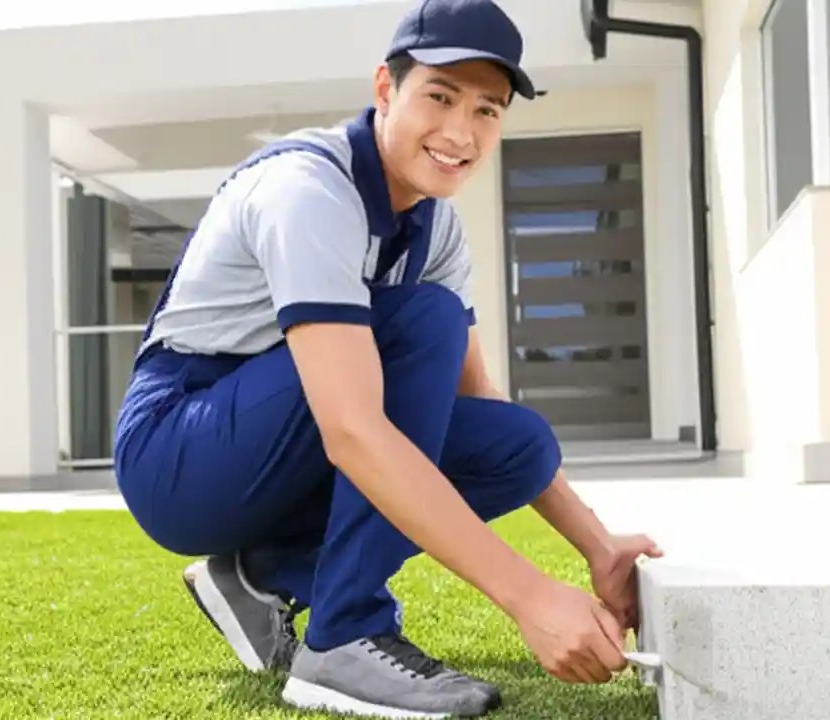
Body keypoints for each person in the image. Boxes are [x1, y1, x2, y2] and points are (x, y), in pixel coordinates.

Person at [112, 0, 663, 716]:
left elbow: (476, 400)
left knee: (516, 446)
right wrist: (530, 595)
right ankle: (343, 639)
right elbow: (352, 429)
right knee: (420, 321)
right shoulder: (308, 193)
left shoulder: (436, 228)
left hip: (277, 434)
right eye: (439, 97)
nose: (460, 133)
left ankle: (262, 574)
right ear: (384, 90)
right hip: (179, 448)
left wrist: (596, 545)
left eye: (487, 111)